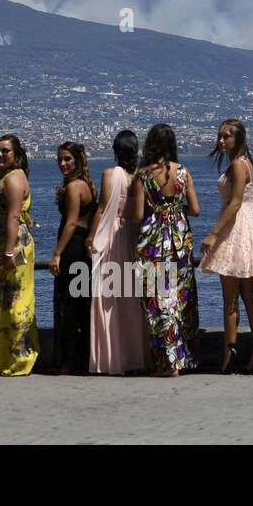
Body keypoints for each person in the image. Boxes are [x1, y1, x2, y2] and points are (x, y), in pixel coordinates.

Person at [199, 119, 253, 373]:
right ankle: (252, 349)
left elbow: (235, 202)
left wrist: (213, 234)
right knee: (248, 296)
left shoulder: (239, 165)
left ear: (238, 139)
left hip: (236, 231)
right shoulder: (244, 164)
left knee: (233, 298)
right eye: (220, 136)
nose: (221, 140)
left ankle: (233, 352)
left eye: (226, 136)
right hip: (246, 229)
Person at [130, 124, 201, 377]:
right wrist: (175, 210)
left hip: (153, 244)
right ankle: (184, 358)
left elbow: (138, 214)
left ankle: (168, 363)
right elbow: (195, 209)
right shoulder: (183, 172)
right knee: (181, 300)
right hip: (180, 242)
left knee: (158, 302)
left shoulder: (144, 176)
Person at [86, 131, 153, 375]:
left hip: (112, 236)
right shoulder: (140, 177)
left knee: (108, 298)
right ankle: (137, 356)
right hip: (134, 235)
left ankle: (111, 358)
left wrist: (91, 237)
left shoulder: (109, 174)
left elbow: (102, 208)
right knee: (134, 298)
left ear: (115, 150)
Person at [0, 135, 40, 376]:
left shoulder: (14, 179)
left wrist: (8, 251)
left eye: (6, 151)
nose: (0, 155)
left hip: (13, 248)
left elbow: (14, 216)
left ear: (17, 155)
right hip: (5, 246)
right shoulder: (12, 177)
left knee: (14, 303)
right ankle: (3, 357)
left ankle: (18, 360)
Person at [48, 141, 97, 375]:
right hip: (82, 251)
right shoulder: (87, 184)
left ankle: (68, 361)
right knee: (81, 304)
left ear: (77, 160)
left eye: (67, 159)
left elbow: (71, 222)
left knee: (69, 304)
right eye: (60, 159)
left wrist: (57, 253)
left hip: (72, 250)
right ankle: (83, 357)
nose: (62, 164)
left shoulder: (74, 187)